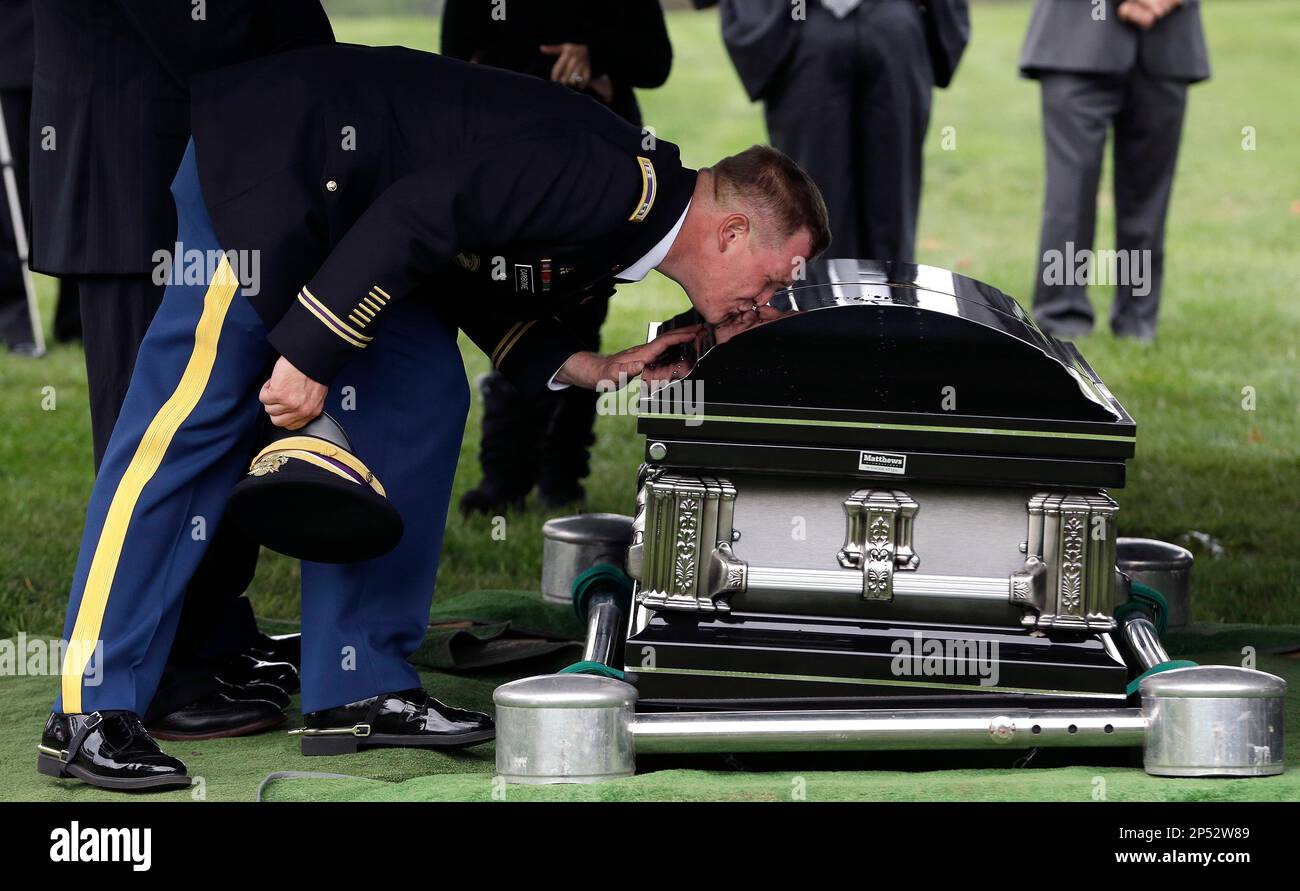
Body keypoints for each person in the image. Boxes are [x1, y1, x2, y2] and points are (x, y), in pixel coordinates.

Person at [38, 43, 829, 791]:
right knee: (183, 434)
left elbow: (463, 248)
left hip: (354, 218)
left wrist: (586, 365)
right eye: (771, 282)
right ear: (730, 232)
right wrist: (313, 355)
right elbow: (426, 214)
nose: (765, 310)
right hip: (271, 175)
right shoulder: (614, 185)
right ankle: (86, 710)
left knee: (424, 394)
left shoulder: (632, 197)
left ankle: (358, 686)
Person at [29, 0, 335, 740]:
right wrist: (321, 74)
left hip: (180, 156)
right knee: (161, 446)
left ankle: (214, 636)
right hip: (137, 167)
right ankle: (160, 675)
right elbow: (199, 21)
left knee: (217, 426)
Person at [441, 0, 673, 514]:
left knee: (583, 316)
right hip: (509, 164)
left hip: (603, 168)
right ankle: (505, 480)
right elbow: (454, 61)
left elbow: (654, 60)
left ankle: (563, 476)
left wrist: (595, 56)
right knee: (515, 313)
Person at [698, 0, 969, 261]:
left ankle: (891, 302)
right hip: (800, 21)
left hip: (893, 23)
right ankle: (822, 304)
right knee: (812, 199)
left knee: (893, 198)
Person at [1020, 0, 1210, 339]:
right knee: (1070, 196)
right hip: (1074, 41)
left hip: (1167, 43)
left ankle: (1136, 322)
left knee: (1147, 199)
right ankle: (1062, 322)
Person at [0, 0, 78, 355]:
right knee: (8, 196)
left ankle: (76, 318)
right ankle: (16, 318)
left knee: (76, 187)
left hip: (74, 52)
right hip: (10, 51)